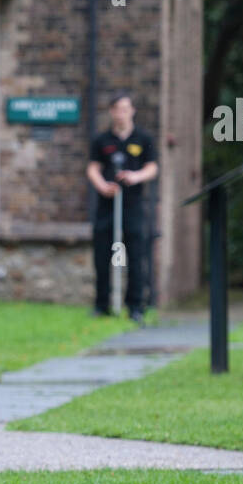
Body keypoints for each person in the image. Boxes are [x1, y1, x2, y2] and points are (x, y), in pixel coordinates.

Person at [86, 93, 158, 323]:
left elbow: (152, 168)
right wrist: (102, 186)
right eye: (117, 109)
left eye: (126, 109)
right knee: (102, 255)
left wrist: (135, 177)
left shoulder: (143, 138)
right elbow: (93, 169)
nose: (121, 113)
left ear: (132, 111)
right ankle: (102, 304)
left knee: (136, 256)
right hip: (107, 207)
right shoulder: (102, 140)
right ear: (112, 112)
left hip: (133, 206)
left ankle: (135, 305)